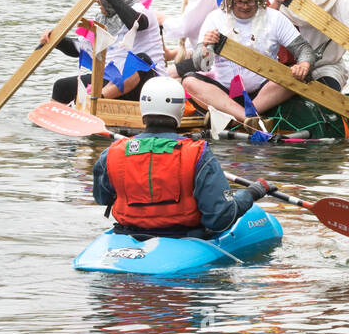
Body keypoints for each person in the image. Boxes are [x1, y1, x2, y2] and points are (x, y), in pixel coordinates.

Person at [92, 77, 277, 238]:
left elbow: (102, 198)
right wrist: (252, 193)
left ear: (143, 110)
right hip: (184, 237)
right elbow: (220, 218)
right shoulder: (199, 153)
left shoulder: (111, 153)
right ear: (180, 111)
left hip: (126, 233)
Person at [178, 0, 317, 125]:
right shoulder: (215, 18)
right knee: (189, 82)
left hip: (264, 91)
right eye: (240, 1)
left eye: (250, 0)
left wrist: (304, 65)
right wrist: (204, 49)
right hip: (224, 91)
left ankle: (241, 117)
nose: (245, 6)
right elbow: (201, 65)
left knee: (300, 78)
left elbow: (304, 49)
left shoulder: (274, 18)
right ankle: (246, 118)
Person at [41, 0, 166, 104]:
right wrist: (56, 40)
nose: (96, 1)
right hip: (113, 81)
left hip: (148, 83)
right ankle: (57, 118)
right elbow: (79, 48)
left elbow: (137, 24)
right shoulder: (102, 19)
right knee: (62, 87)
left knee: (140, 59)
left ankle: (95, 101)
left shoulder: (141, 9)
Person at [159, 0, 220, 66]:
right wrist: (170, 54)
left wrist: (162, 19)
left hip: (210, 58)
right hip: (206, 53)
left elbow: (183, 28)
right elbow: (195, 34)